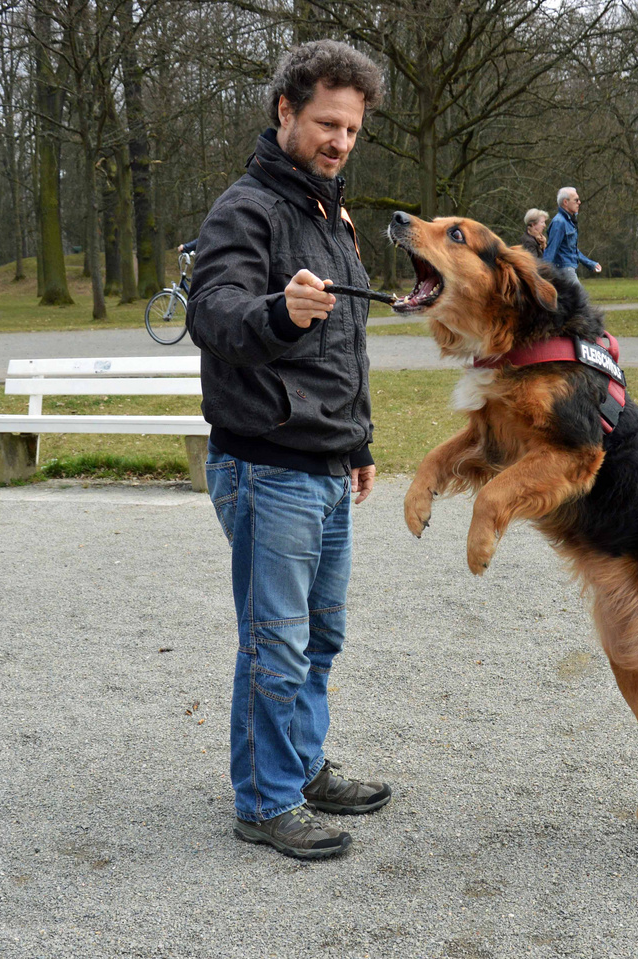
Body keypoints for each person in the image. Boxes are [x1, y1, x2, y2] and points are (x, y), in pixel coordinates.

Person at [185, 40, 390, 861]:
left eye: (351, 128)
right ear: (285, 113)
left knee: (318, 636)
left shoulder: (328, 216)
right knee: (275, 639)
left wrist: (360, 440)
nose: (339, 141)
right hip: (266, 465)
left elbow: (349, 345)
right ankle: (264, 801)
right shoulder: (247, 209)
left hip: (325, 460)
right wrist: (277, 311)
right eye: (325, 123)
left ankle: (299, 767)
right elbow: (215, 313)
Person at [542, 187, 601, 274]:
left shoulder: (568, 222)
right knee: (579, 288)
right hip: (564, 271)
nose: (579, 203)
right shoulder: (559, 222)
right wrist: (543, 273)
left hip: (569, 269)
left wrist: (591, 264)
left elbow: (572, 250)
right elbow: (551, 249)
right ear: (565, 202)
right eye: (576, 200)